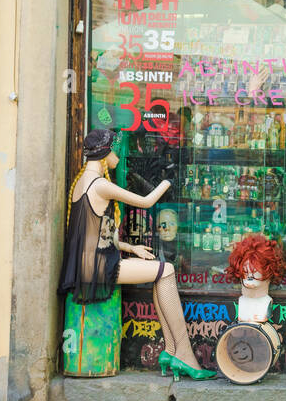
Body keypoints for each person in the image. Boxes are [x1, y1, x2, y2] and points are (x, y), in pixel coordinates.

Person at [58, 128, 214, 380]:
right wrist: (169, 179)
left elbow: (96, 233)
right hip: (98, 267)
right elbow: (146, 202)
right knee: (167, 270)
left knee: (160, 273)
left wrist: (131, 248)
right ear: (104, 153)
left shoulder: (81, 183)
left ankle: (174, 350)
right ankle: (183, 353)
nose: (118, 153)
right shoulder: (99, 185)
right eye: (115, 148)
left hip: (90, 263)